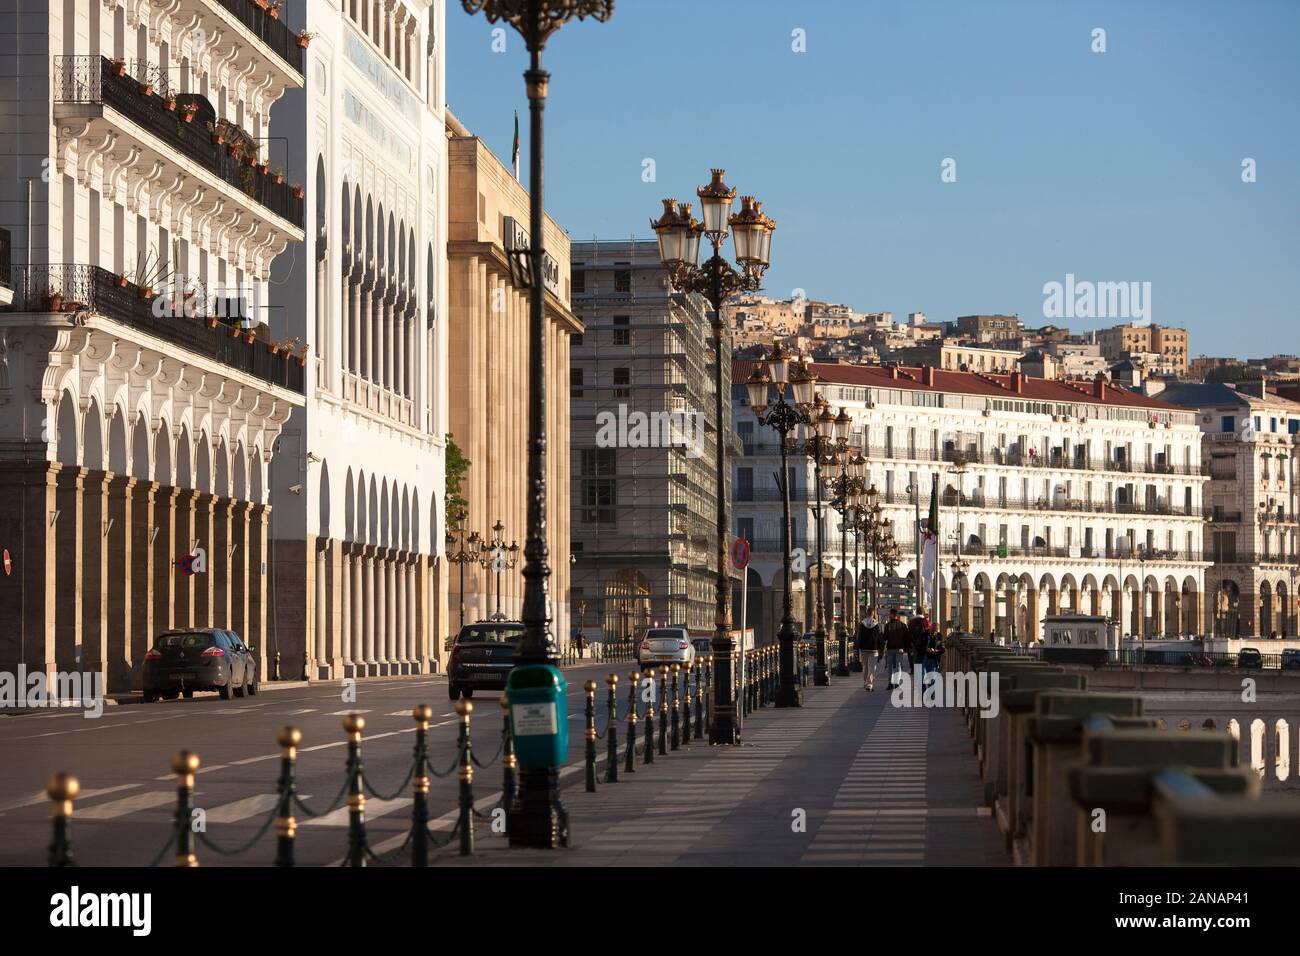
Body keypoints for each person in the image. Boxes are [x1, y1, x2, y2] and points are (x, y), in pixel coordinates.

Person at [883, 608, 910, 690]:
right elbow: (907, 638)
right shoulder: (903, 625)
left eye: (890, 614)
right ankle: (897, 682)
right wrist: (906, 648)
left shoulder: (888, 625)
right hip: (900, 649)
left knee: (890, 666)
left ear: (892, 615)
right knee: (898, 666)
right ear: (897, 616)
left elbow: (885, 638)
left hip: (890, 648)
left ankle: (890, 683)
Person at [857, 605, 881, 691]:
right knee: (872, 667)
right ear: (873, 613)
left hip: (864, 649)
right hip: (873, 649)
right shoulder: (876, 624)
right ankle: (869, 684)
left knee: (865, 667)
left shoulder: (862, 623)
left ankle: (865, 683)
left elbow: (859, 637)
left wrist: (858, 647)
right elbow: (879, 637)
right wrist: (880, 648)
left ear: (867, 613)